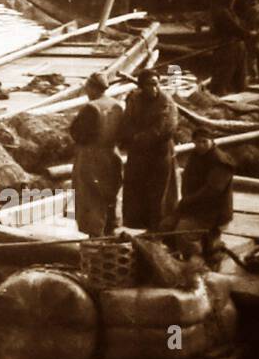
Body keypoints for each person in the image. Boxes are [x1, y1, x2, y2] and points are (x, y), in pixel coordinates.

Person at [119, 68, 179, 231]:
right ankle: (137, 225)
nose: (154, 88)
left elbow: (166, 127)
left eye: (156, 84)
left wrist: (140, 138)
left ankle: (159, 227)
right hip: (138, 153)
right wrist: (131, 136)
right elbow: (126, 122)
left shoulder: (166, 101)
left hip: (159, 151)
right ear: (141, 87)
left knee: (159, 191)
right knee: (137, 188)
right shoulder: (134, 99)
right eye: (149, 85)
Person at [69, 72, 124, 237]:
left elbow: (78, 133)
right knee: (110, 193)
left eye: (87, 88)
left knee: (90, 195)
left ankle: (94, 233)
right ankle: (111, 228)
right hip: (113, 154)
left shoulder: (91, 108)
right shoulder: (117, 105)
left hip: (92, 156)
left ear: (92, 88)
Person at [175, 129, 235, 261]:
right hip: (196, 208)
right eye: (197, 142)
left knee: (183, 232)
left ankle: (197, 264)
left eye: (204, 141)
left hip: (214, 212)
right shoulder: (195, 155)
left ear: (212, 141)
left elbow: (212, 191)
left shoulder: (220, 161)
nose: (201, 145)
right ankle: (194, 255)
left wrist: (187, 201)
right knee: (166, 226)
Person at [209, 0, 253, 95]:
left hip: (237, 46)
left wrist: (246, 33)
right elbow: (234, 28)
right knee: (225, 72)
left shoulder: (229, 12)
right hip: (228, 46)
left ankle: (240, 92)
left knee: (240, 72)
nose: (232, 1)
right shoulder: (223, 13)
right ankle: (219, 94)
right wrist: (247, 34)